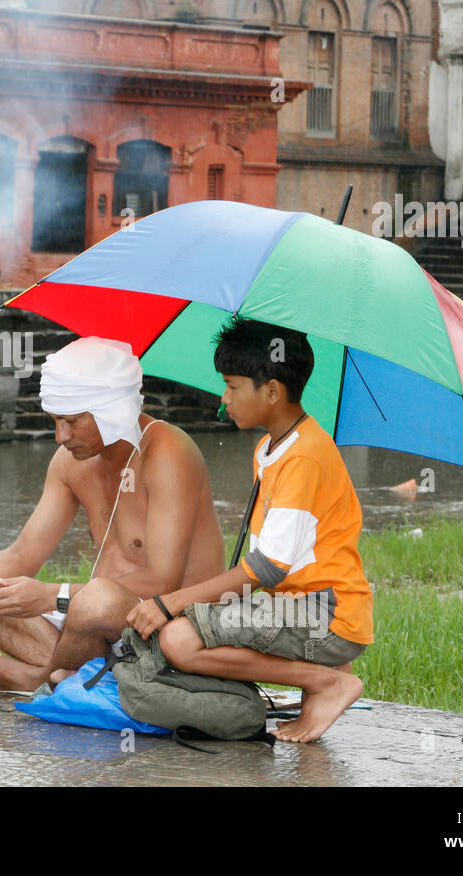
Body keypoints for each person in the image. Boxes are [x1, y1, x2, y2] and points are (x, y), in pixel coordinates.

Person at [0, 336, 224, 691]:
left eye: (71, 421)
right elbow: (22, 554)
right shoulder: (71, 462)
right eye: (54, 420)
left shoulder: (169, 452)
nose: (60, 436)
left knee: (96, 598)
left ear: (111, 410)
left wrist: (56, 595)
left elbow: (163, 582)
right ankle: (74, 675)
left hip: (167, 627)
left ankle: (42, 677)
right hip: (93, 626)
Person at [126, 316, 372, 743]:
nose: (225, 398)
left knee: (180, 640)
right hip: (305, 606)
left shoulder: (306, 456)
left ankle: (327, 681)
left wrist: (171, 602)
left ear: (273, 391)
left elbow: (268, 569)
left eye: (233, 386)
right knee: (187, 624)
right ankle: (324, 675)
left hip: (325, 614)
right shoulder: (271, 448)